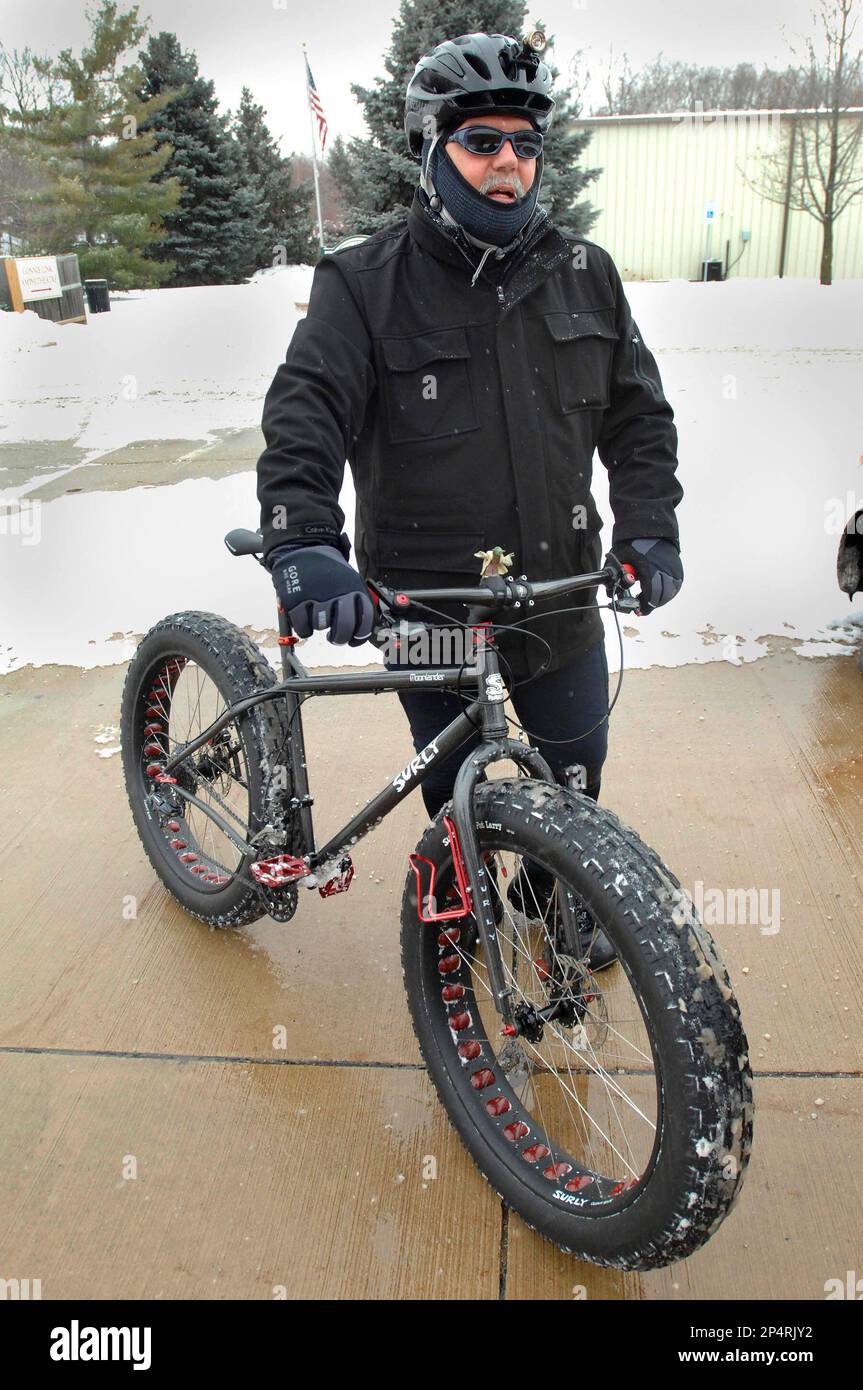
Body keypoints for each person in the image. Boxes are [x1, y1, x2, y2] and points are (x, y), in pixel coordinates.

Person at [256, 32, 684, 969]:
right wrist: (305, 542)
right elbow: (306, 418)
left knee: (575, 775)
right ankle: (465, 905)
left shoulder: (586, 273)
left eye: (525, 145)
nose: (508, 165)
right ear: (432, 149)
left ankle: (552, 892)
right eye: (482, 141)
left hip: (561, 595)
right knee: (456, 784)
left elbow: (638, 418)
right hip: (429, 603)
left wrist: (650, 528)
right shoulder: (361, 286)